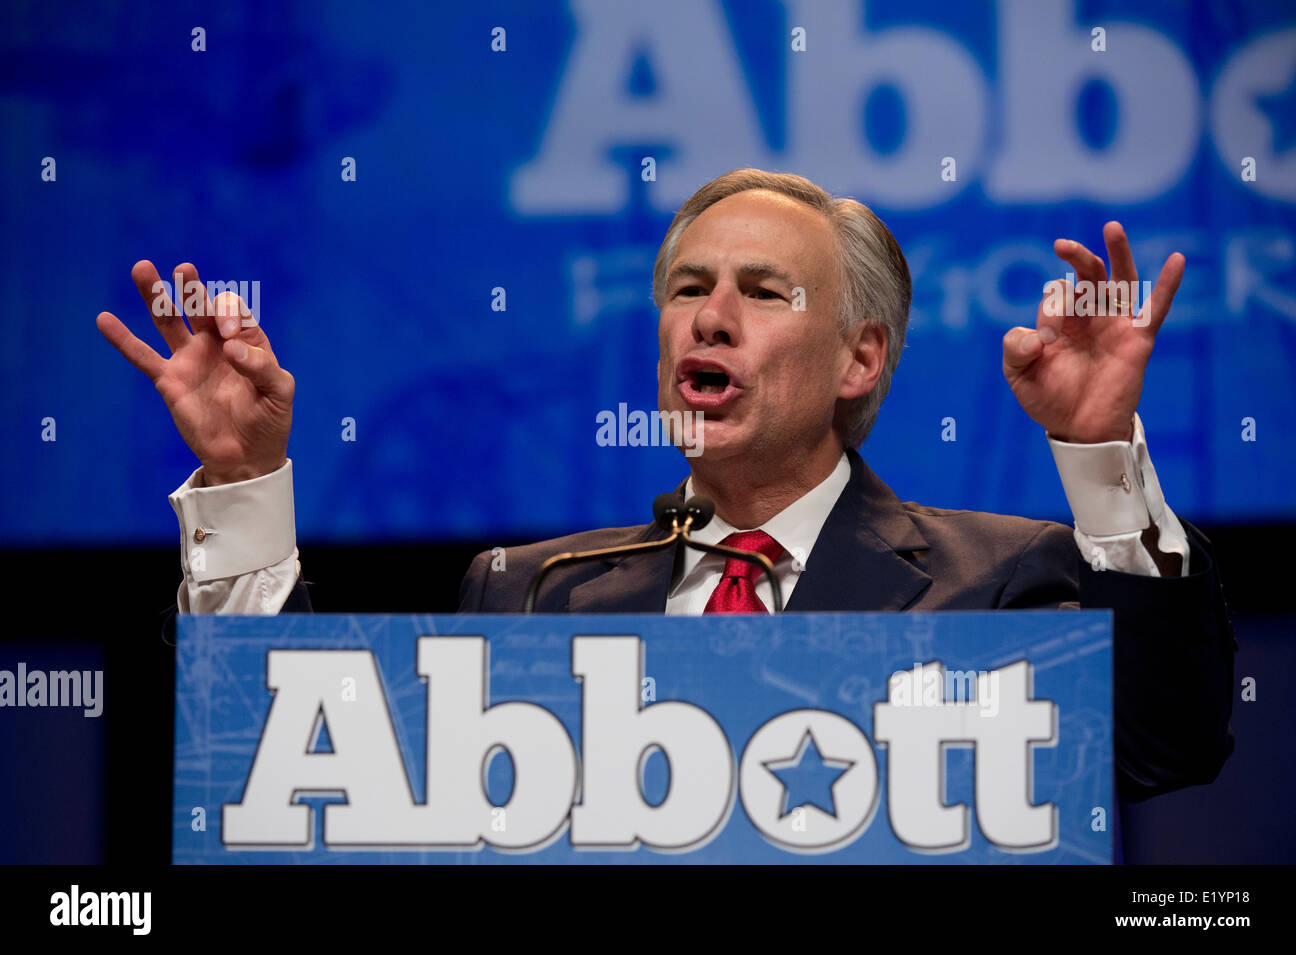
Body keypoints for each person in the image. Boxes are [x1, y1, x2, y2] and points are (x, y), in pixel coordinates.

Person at [96, 169, 1234, 801]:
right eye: (687, 286)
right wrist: (245, 483)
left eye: (761, 290)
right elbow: (286, 775)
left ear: (861, 358)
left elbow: (1163, 743)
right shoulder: (531, 594)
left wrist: (1098, 455)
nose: (708, 313)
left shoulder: (998, 581)